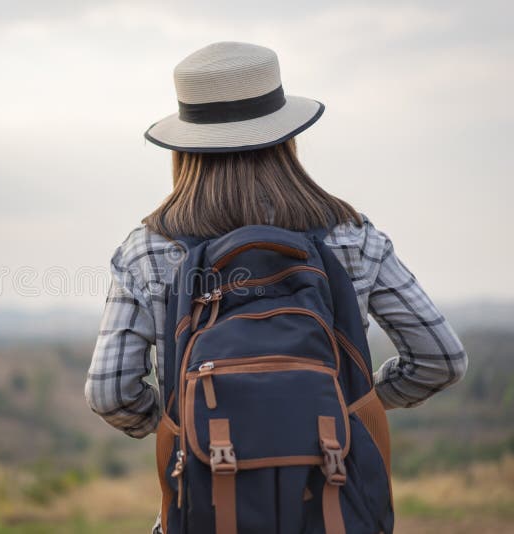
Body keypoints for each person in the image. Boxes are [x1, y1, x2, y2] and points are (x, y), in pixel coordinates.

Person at [84, 41, 467, 533]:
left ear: (185, 146)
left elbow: (110, 393)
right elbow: (440, 358)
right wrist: (336, 400)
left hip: (205, 507)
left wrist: (187, 419)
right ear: (286, 136)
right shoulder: (353, 236)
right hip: (335, 503)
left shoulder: (148, 249)